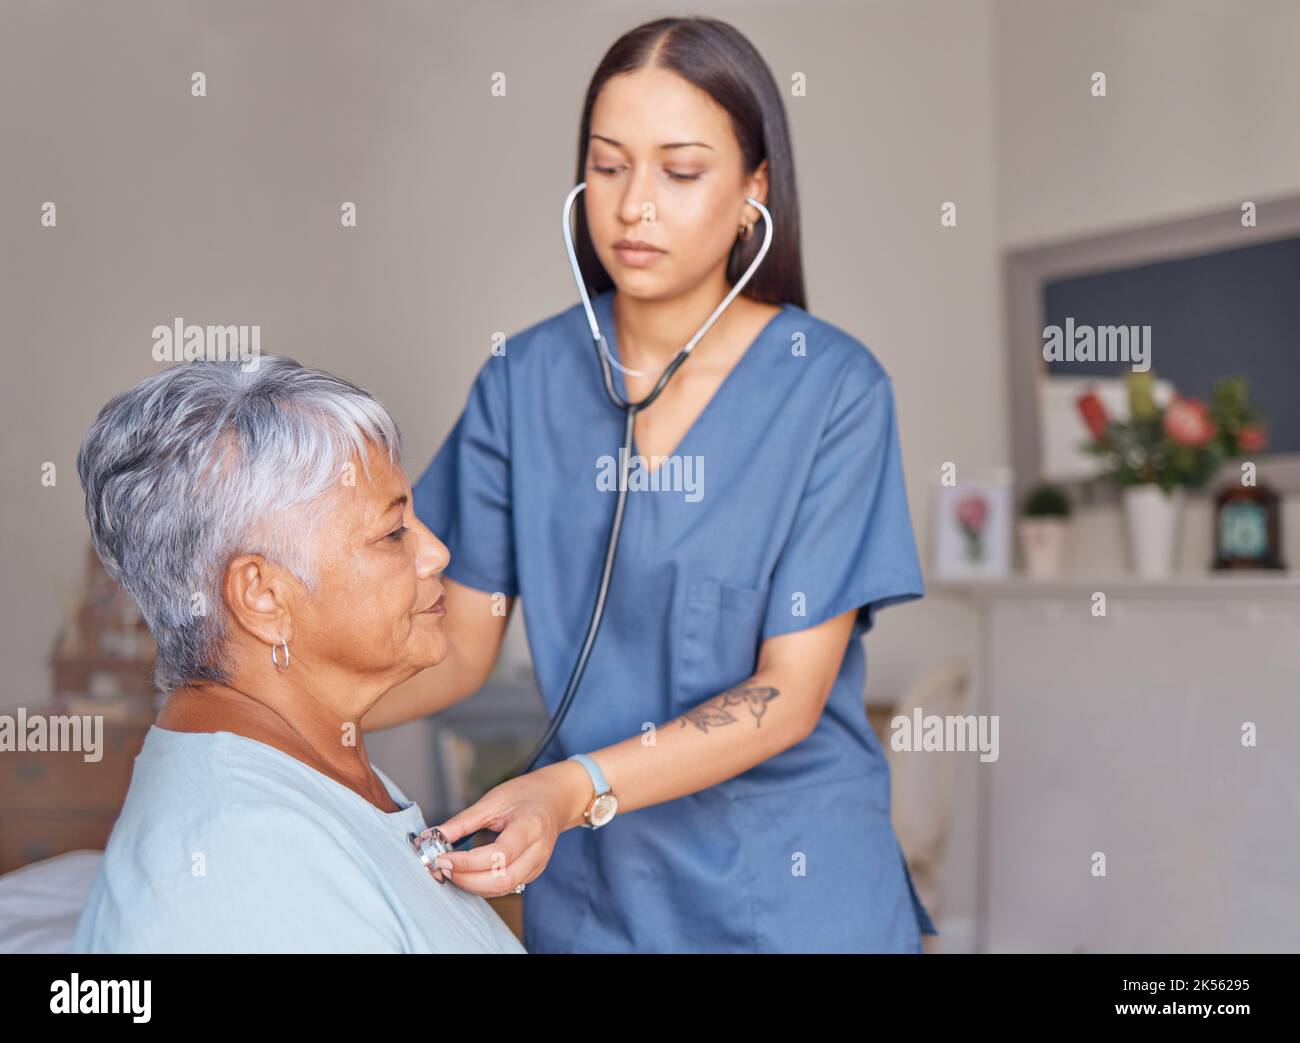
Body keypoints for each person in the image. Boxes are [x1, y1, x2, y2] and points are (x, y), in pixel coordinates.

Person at [364, 14, 937, 953]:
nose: (635, 207)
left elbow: (788, 694)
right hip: (602, 896)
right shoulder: (524, 382)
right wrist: (275, 718)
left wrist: (568, 786)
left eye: (680, 171)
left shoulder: (833, 388)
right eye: (608, 165)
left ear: (755, 189)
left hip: (796, 890)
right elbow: (459, 646)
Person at [71, 356, 525, 953]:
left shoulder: (312, 760)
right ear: (262, 595)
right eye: (393, 533)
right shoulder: (244, 856)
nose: (436, 553)